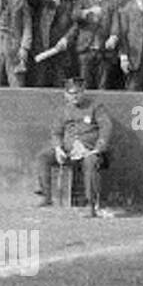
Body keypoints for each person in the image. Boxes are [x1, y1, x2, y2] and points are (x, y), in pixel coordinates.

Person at [34, 76, 114, 216]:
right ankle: (47, 196)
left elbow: (106, 128)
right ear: (65, 95)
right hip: (69, 151)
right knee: (43, 157)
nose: (75, 96)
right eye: (71, 93)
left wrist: (97, 149)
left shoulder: (96, 107)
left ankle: (91, 205)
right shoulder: (63, 111)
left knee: (91, 162)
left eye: (78, 92)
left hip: (90, 151)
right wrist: (58, 149)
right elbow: (56, 132)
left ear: (83, 92)